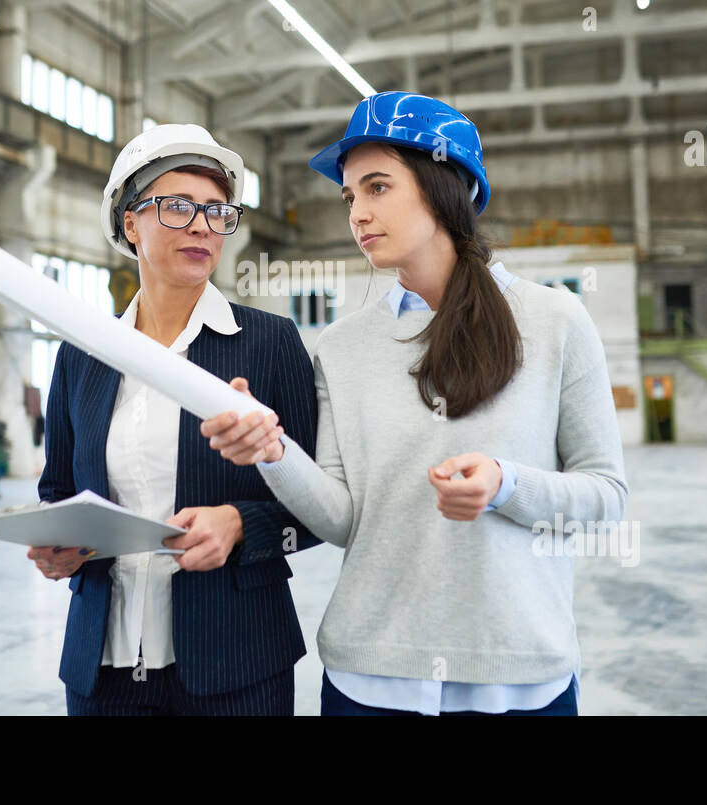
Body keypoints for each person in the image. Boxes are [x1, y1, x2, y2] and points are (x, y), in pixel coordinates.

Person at [201, 91, 628, 716]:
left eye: (377, 188)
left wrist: (506, 485)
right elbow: (343, 520)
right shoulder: (343, 346)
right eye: (350, 197)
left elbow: (605, 499)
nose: (357, 214)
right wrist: (273, 451)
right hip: (370, 680)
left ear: (443, 187)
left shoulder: (555, 321)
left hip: (518, 678)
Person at [28, 123, 321, 716]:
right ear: (130, 222)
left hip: (236, 659)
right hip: (104, 662)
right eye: (178, 206)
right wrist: (57, 547)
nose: (201, 226)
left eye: (218, 211)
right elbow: (59, 491)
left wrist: (240, 524)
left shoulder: (267, 344)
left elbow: (319, 505)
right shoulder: (83, 354)